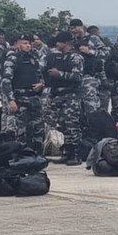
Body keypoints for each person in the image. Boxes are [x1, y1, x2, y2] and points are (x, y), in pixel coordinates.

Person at [43, 31, 86, 164]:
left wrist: (59, 74)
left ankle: (76, 154)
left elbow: (78, 77)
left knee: (72, 125)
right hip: (58, 95)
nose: (57, 44)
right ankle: (67, 152)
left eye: (60, 42)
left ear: (67, 42)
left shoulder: (75, 57)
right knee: (62, 125)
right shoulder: (59, 57)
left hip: (71, 96)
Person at [1, 33, 47, 153]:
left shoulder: (34, 59)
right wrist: (11, 100)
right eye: (24, 43)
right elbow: (6, 81)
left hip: (34, 98)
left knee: (37, 128)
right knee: (21, 130)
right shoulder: (12, 59)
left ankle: (36, 153)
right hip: (19, 99)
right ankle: (21, 155)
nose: (27, 46)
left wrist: (41, 84)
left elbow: (40, 76)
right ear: (18, 44)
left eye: (29, 43)